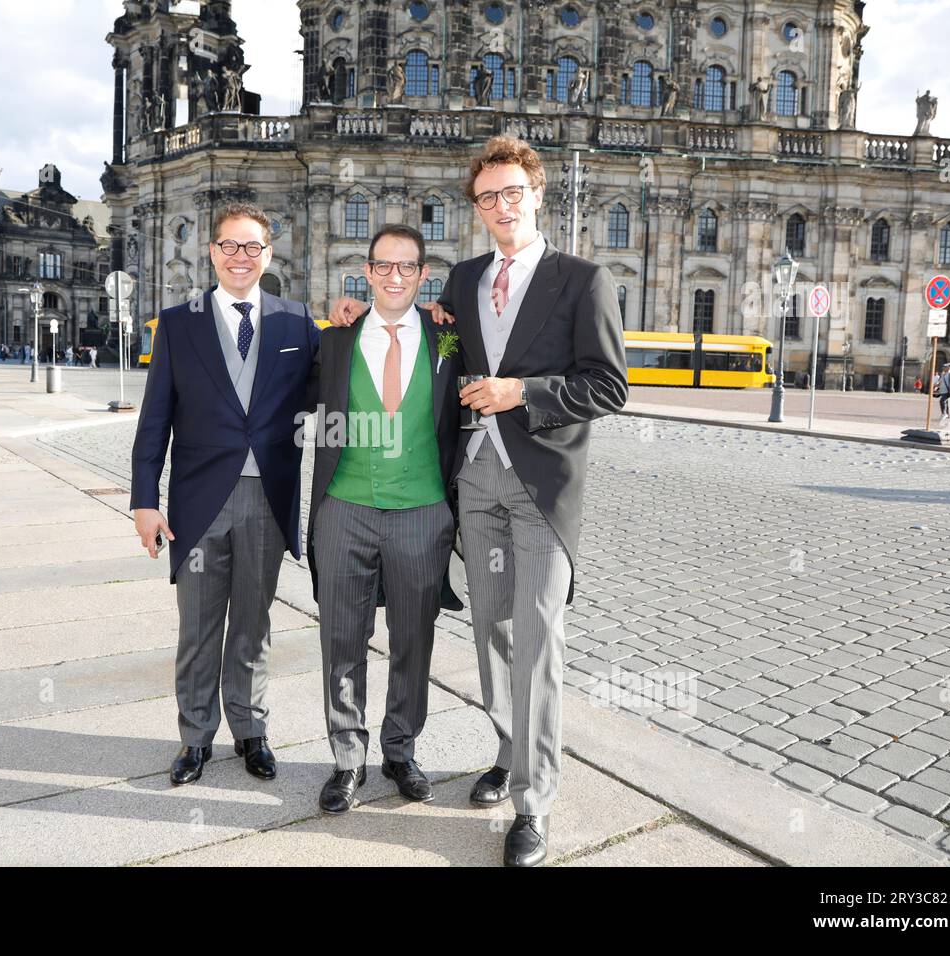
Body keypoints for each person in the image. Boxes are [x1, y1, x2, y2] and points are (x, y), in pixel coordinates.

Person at [330, 136, 628, 866]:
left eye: (512, 193)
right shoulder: (463, 281)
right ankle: (508, 751)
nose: (501, 206)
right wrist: (361, 315)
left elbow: (608, 386)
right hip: (475, 483)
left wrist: (521, 393)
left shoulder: (582, 280)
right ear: (478, 206)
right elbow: (439, 346)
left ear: (537, 194)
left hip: (541, 487)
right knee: (491, 636)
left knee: (536, 642)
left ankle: (535, 803)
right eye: (488, 197)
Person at [131, 202, 321, 787]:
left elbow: (332, 385)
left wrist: (366, 322)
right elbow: (155, 417)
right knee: (199, 628)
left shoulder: (296, 321)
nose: (241, 258)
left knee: (254, 626)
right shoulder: (179, 322)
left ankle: (250, 730)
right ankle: (194, 739)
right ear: (212, 252)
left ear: (268, 254)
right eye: (230, 247)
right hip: (199, 503)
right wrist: (144, 500)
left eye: (253, 248)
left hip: (268, 498)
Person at [307, 223, 462, 814]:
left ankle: (400, 750)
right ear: (367, 272)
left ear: (424, 276)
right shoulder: (337, 340)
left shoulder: (447, 339)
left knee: (413, 642)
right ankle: (348, 760)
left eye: (407, 267)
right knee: (342, 638)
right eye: (382, 266)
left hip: (423, 513)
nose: (394, 276)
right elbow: (298, 404)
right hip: (344, 510)